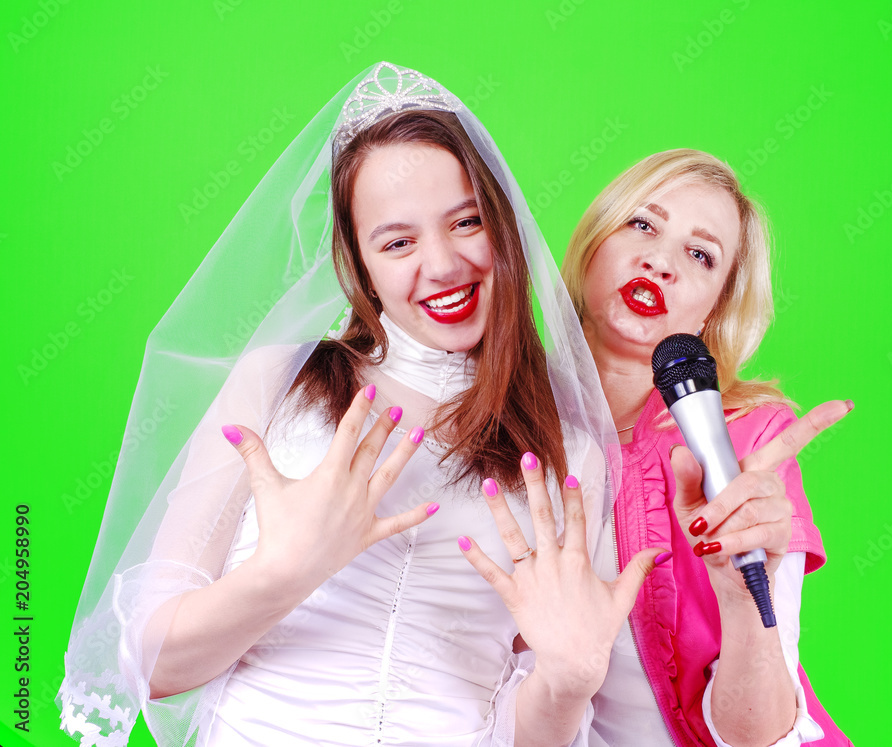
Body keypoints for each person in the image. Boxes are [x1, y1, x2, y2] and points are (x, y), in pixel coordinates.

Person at [58, 62, 625, 747]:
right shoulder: (275, 383)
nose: (443, 264)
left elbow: (528, 731)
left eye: (466, 221)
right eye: (398, 241)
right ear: (358, 265)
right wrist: (286, 571)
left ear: (504, 229)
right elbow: (154, 664)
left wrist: (566, 680)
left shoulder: (571, 454)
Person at [462, 149, 853, 746]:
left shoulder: (746, 445)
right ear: (592, 242)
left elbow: (762, 735)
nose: (660, 261)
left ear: (713, 309)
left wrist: (740, 591)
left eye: (700, 255)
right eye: (642, 224)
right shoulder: (489, 408)